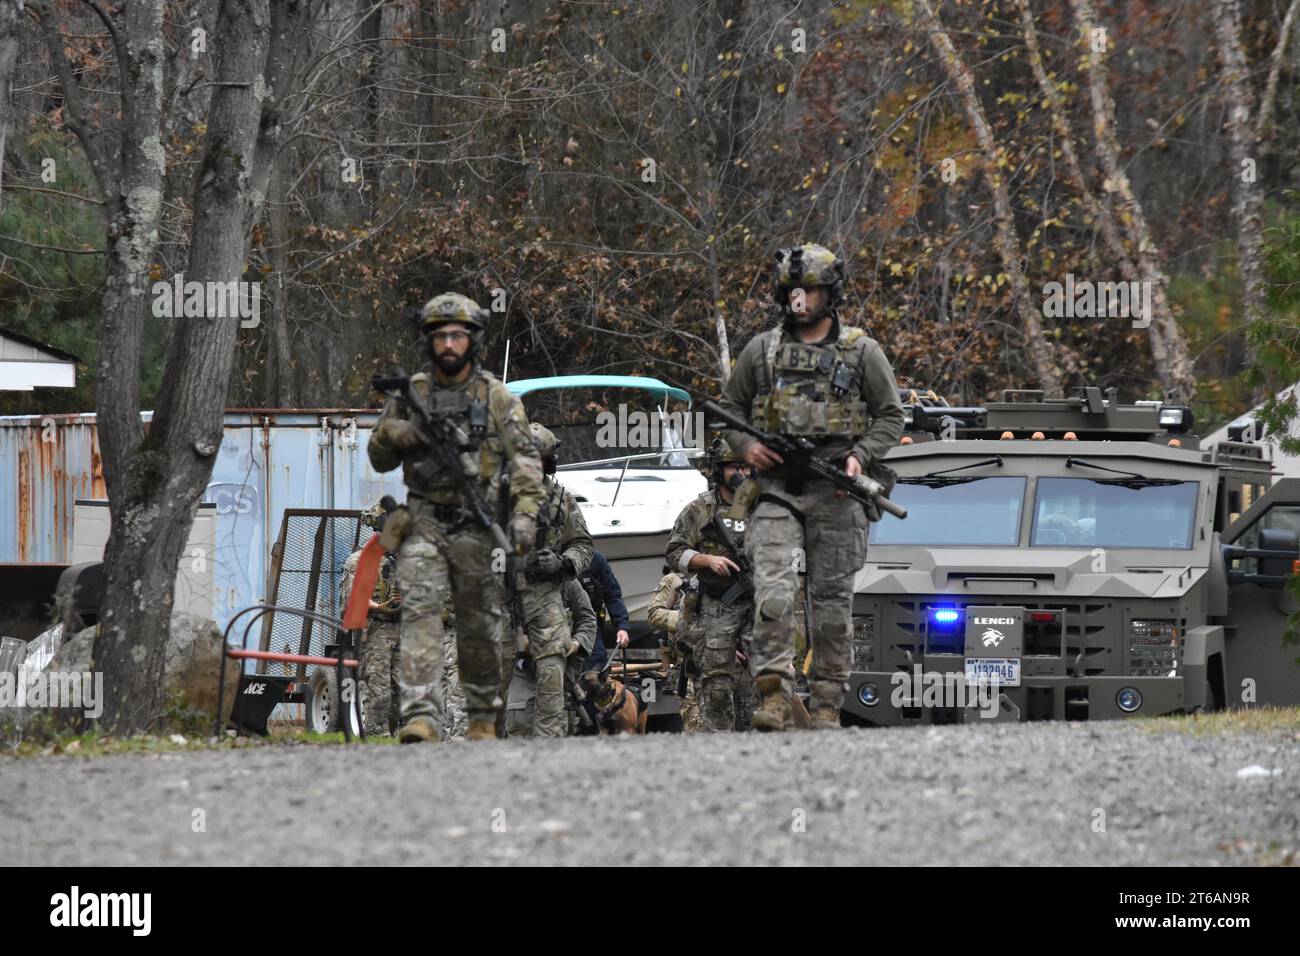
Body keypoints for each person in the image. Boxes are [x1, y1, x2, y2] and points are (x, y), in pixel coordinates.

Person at [716, 243, 905, 731]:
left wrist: (859, 455)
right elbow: (729, 411)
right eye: (794, 292)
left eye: (811, 291)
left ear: (830, 293)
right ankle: (775, 696)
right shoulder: (762, 351)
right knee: (773, 595)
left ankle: (826, 706)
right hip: (776, 488)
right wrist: (747, 447)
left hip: (837, 490)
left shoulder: (862, 351)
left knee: (832, 607)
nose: (801, 301)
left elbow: (891, 416)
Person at [367, 292, 543, 743]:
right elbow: (378, 457)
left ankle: (482, 716)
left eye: (457, 336)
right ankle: (421, 716)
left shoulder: (496, 397)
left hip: (476, 527)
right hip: (423, 521)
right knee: (420, 610)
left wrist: (525, 518)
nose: (448, 344)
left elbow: (526, 462)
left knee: (478, 623)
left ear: (473, 340)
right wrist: (397, 433)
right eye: (440, 336)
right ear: (429, 341)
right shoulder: (413, 393)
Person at [664, 439, 757, 732]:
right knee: (716, 688)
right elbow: (674, 552)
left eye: (745, 467)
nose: (741, 473)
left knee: (766, 686)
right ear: (718, 470)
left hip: (758, 606)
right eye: (733, 467)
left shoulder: (761, 507)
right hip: (717, 606)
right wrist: (707, 560)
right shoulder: (700, 509)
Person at [520, 422, 594, 737]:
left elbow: (584, 545)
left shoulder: (561, 499)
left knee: (553, 680)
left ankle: (550, 752)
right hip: (500, 597)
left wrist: (562, 562)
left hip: (545, 597)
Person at [648, 567, 701, 732]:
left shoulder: (725, 577)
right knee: (696, 726)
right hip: (689, 665)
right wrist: (689, 621)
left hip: (725, 663)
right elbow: (655, 613)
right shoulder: (674, 580)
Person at [576, 549, 630, 667]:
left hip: (589, 625)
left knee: (597, 661)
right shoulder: (552, 560)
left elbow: (612, 595)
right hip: (558, 626)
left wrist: (622, 627)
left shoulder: (595, 559)